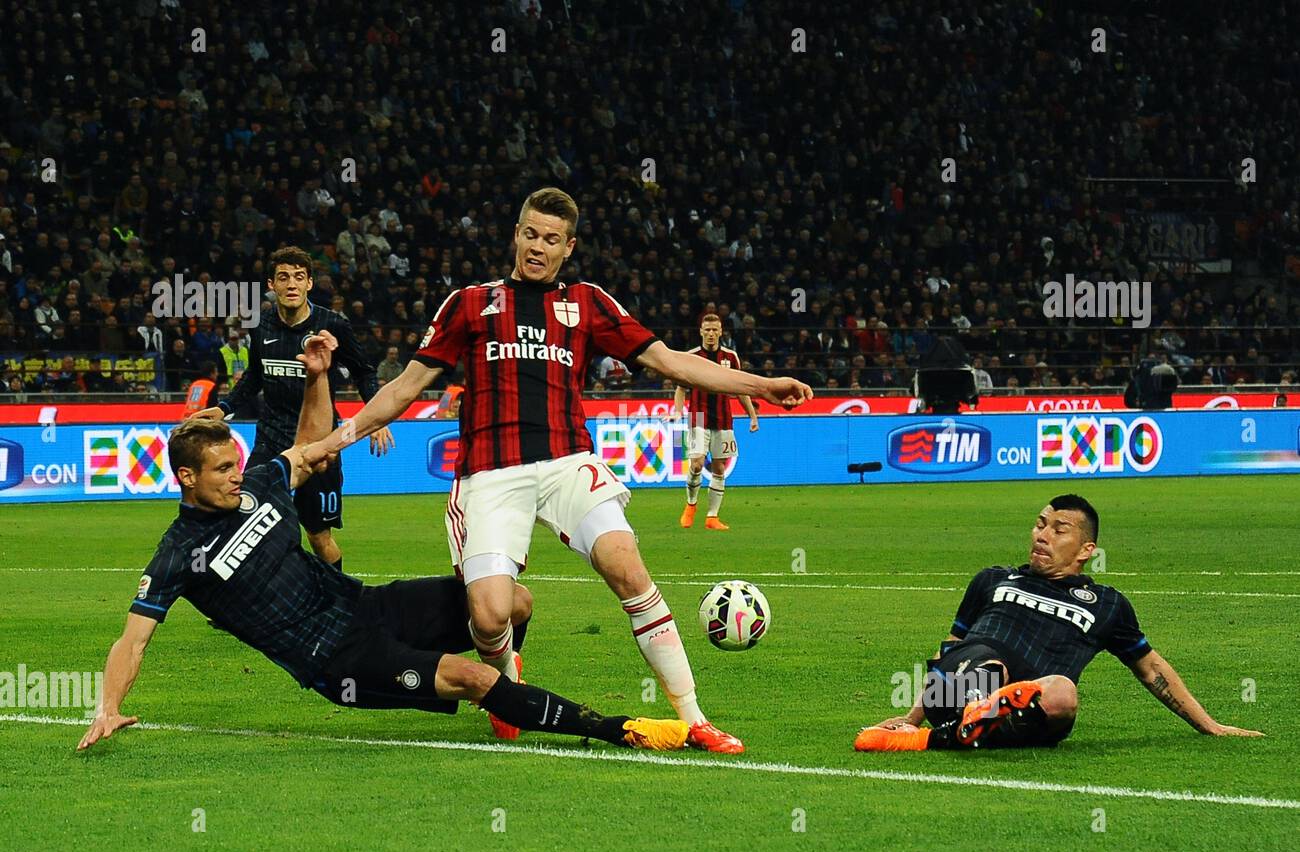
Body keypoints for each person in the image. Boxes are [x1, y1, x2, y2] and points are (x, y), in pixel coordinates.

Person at [304, 187, 813, 752]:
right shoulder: (470, 303)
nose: (537, 248)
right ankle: (507, 690)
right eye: (529, 234)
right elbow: (404, 388)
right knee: (492, 614)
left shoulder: (588, 303)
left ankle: (694, 718)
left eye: (551, 239)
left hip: (569, 461)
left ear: (568, 247)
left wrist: (764, 385)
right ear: (515, 234)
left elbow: (672, 362)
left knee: (628, 568)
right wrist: (334, 441)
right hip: (490, 473)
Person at [78, 331, 687, 754]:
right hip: (335, 661)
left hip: (365, 607)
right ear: (186, 479)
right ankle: (619, 728)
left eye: (235, 464)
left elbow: (314, 447)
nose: (237, 474)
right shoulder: (178, 553)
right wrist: (108, 706)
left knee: (511, 603)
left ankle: (510, 698)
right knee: (471, 678)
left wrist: (319, 377)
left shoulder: (260, 482)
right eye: (221, 471)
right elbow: (133, 639)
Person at [854, 495, 1264, 751]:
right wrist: (911, 717)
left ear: (1086, 549)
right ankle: (946, 730)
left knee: (1064, 694)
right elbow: (949, 649)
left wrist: (1210, 725)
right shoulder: (993, 580)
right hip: (962, 686)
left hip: (1028, 717)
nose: (1042, 535)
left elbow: (1152, 669)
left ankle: (967, 729)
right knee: (984, 659)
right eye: (1039, 524)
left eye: (1058, 529)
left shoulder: (1106, 605)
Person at [192, 246, 395, 571]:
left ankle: (336, 599)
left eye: (299, 277)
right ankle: (253, 604)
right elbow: (255, 376)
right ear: (271, 284)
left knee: (318, 536)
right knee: (243, 520)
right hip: (270, 442)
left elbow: (364, 372)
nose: (291, 284)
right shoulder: (261, 326)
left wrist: (377, 416)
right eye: (283, 277)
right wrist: (224, 407)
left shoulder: (333, 324)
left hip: (319, 447)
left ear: (309, 284)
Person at [672, 312, 759, 530]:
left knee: (719, 468)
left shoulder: (731, 357)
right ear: (701, 332)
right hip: (698, 416)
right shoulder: (691, 357)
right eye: (707, 330)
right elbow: (681, 388)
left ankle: (712, 517)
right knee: (697, 462)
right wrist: (678, 411)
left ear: (721, 332)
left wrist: (752, 415)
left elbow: (741, 389)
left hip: (723, 418)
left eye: (715, 330)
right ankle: (691, 505)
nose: (711, 334)